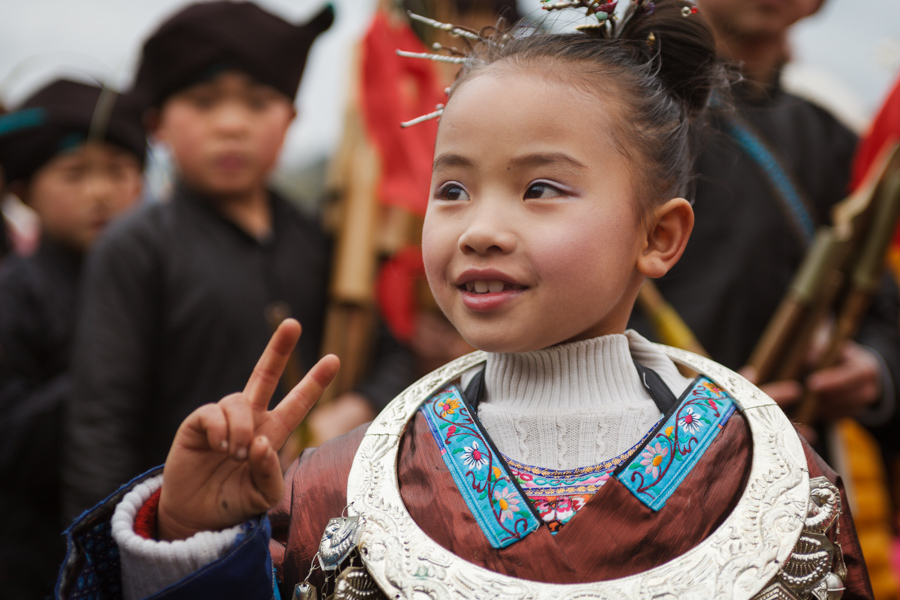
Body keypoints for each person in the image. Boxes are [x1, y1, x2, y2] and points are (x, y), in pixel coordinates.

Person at [56, 2, 870, 599]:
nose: (479, 230)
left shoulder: (767, 475)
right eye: (452, 189)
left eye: (540, 188)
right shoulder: (337, 485)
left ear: (659, 236)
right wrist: (191, 535)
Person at [61, 1, 416, 522]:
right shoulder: (133, 248)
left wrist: (350, 409)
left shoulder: (322, 239)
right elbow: (100, 428)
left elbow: (394, 355)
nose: (231, 124)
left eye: (257, 102)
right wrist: (124, 547)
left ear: (291, 118)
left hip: (308, 522)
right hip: (181, 529)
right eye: (203, 103)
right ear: (157, 125)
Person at [0, 78, 145, 600]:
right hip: (38, 560)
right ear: (23, 192)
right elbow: (10, 441)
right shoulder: (14, 294)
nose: (99, 192)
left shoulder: (161, 284)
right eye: (75, 173)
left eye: (118, 170)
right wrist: (107, 363)